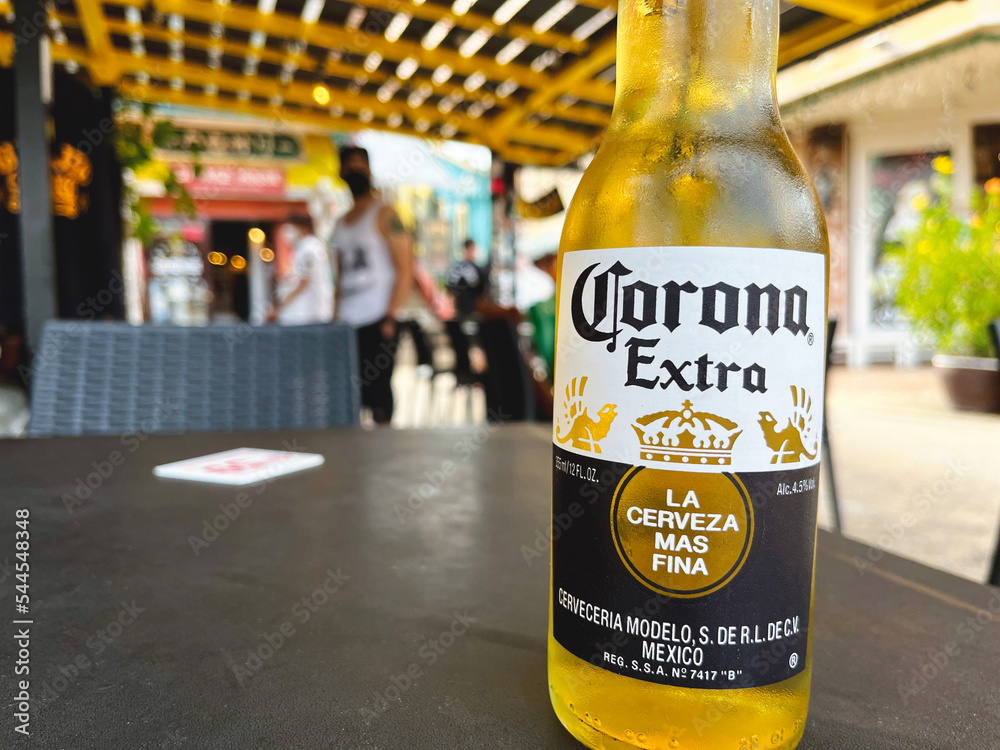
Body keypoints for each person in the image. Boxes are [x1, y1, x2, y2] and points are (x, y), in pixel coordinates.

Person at [331, 145, 413, 425]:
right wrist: (334, 316)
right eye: (349, 165)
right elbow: (339, 278)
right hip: (347, 323)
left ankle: (383, 461)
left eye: (359, 164)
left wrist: (391, 314)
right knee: (348, 399)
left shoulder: (387, 214)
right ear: (340, 171)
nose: (354, 170)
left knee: (379, 399)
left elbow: (406, 267)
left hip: (378, 319)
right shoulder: (341, 223)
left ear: (369, 169)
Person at [269, 215, 333, 325]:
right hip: (305, 313)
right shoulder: (302, 248)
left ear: (303, 227)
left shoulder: (309, 247)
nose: (287, 233)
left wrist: (283, 304)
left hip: (308, 313)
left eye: (291, 228)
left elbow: (304, 280)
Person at [445, 238, 488, 319]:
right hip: (459, 310)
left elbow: (482, 293)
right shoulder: (456, 269)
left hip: (473, 310)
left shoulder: (478, 270)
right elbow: (450, 291)